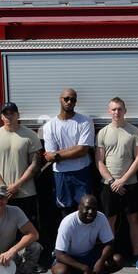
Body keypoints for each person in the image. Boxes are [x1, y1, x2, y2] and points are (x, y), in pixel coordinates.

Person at [96, 96, 138, 270]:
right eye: (113, 109)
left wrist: (123, 180)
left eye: (120, 109)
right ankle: (109, 256)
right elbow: (99, 161)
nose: (117, 112)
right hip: (109, 185)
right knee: (109, 221)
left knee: (133, 219)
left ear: (125, 111)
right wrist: (111, 181)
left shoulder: (134, 132)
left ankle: (137, 256)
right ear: (109, 111)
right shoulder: (102, 133)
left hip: (130, 184)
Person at [52, 194, 123, 274]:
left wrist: (100, 261)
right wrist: (84, 268)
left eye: (94, 209)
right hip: (69, 258)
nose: (91, 212)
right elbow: (59, 254)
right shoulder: (68, 222)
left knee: (118, 260)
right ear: (79, 208)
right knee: (60, 273)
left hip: (88, 255)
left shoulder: (100, 217)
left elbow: (109, 243)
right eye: (87, 208)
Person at [0, 101, 43, 227]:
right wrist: (4, 188)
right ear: (1, 117)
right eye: (6, 114)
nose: (9, 116)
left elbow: (35, 164)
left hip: (26, 192)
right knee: (5, 229)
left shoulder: (30, 135)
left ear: (18, 115)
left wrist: (16, 185)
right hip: (2, 195)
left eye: (12, 113)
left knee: (28, 229)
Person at [42, 88, 97, 219]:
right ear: (60, 100)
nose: (69, 102)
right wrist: (74, 149)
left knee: (85, 211)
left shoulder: (85, 121)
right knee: (65, 212)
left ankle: (85, 239)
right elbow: (49, 155)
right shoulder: (49, 126)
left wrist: (57, 155)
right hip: (61, 174)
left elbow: (83, 150)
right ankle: (68, 239)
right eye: (66, 99)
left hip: (82, 172)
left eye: (73, 99)